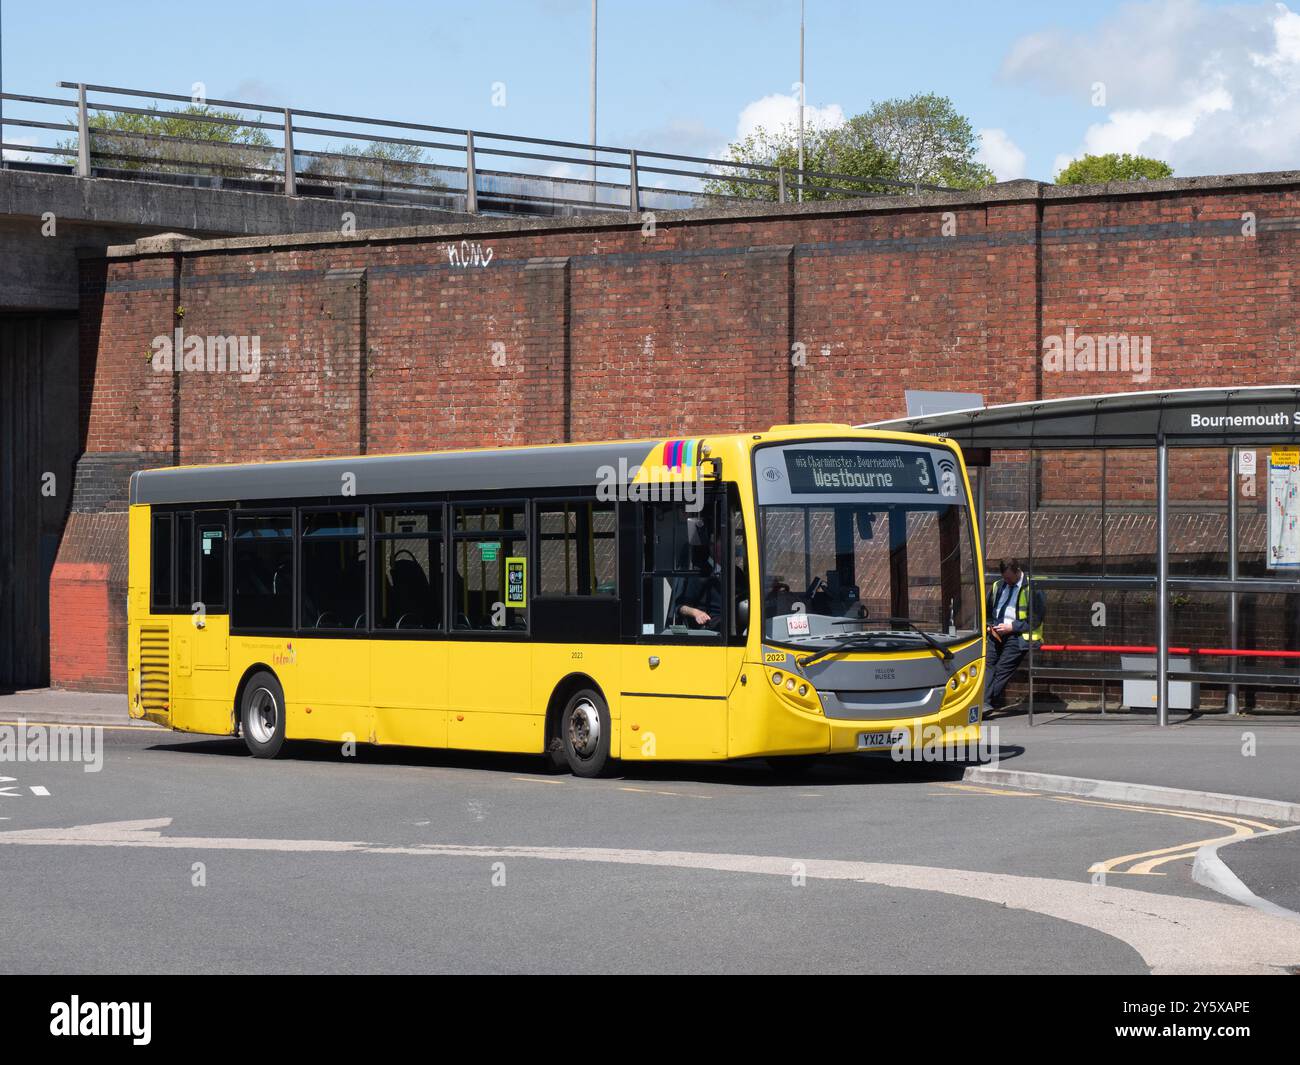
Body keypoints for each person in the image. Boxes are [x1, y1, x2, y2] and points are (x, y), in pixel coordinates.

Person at [984, 558, 1045, 713]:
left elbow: (1036, 619)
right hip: (996, 632)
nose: (1007, 581)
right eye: (1004, 578)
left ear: (1018, 571)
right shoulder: (998, 585)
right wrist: (989, 625)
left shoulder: (1033, 587)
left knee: (1002, 669)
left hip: (1018, 635)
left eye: (1010, 578)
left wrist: (1012, 627)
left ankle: (984, 703)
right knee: (987, 665)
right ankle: (983, 704)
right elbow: (988, 610)